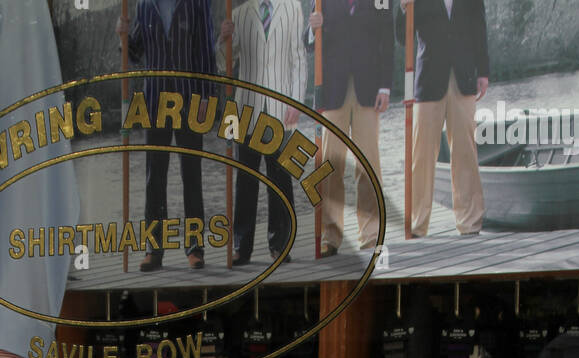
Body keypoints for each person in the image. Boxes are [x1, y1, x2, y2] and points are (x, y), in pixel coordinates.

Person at [117, 0, 217, 271]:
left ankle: (195, 249)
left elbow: (207, 49)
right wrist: (123, 34)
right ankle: (154, 250)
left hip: (190, 98)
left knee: (191, 175)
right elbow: (136, 52)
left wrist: (208, 96)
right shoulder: (144, 5)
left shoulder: (197, 4)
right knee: (154, 177)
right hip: (155, 102)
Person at [219, 0, 308, 265]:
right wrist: (222, 39)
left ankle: (280, 245)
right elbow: (224, 63)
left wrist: (296, 101)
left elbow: (299, 57)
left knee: (280, 178)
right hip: (247, 107)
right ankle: (241, 247)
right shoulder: (238, 14)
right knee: (246, 178)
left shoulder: (292, 8)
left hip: (280, 108)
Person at [307, 0, 394, 256]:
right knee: (331, 166)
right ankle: (331, 237)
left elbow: (386, 39)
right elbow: (308, 39)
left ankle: (370, 234)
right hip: (332, 92)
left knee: (368, 166)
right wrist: (312, 29)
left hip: (369, 90)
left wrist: (385, 87)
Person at [397, 0, 489, 237]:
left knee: (465, 152)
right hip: (428, 81)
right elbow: (402, 38)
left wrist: (484, 72)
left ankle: (469, 224)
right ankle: (417, 225)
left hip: (464, 76)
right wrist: (403, 10)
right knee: (421, 155)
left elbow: (479, 27)